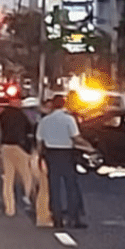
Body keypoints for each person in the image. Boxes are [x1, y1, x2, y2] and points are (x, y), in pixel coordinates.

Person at [35, 95, 98, 229]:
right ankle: (73, 219)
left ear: (53, 105)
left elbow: (39, 141)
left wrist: (40, 157)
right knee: (71, 187)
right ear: (64, 104)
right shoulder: (69, 119)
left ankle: (57, 219)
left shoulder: (44, 120)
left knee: (54, 188)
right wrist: (89, 147)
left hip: (51, 154)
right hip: (66, 154)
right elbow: (76, 138)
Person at [0, 97, 37, 217]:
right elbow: (29, 129)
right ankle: (29, 199)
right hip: (19, 147)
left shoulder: (3, 114)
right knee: (26, 175)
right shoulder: (21, 115)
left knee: (8, 179)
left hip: (6, 147)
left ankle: (9, 208)